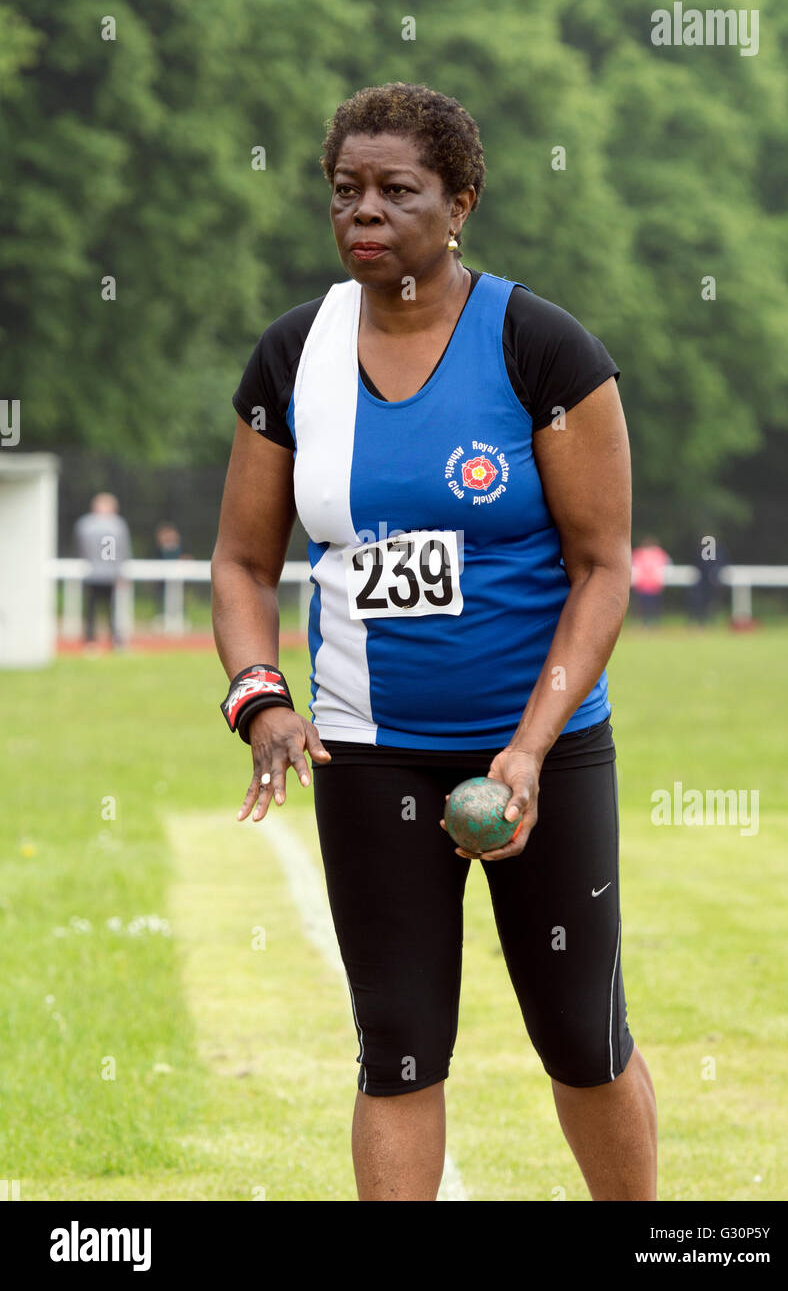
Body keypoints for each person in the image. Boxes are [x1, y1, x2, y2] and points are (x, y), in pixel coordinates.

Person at [211, 82, 657, 1201]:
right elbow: (241, 562)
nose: (363, 211)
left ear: (457, 203)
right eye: (344, 190)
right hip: (368, 755)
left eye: (395, 190)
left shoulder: (541, 347)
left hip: (539, 749)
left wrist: (528, 750)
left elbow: (603, 567)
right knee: (398, 1045)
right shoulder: (291, 358)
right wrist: (260, 694)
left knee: (579, 1035)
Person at [73, 492, 132, 648]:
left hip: (94, 571)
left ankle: (92, 640)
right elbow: (123, 550)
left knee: (95, 609)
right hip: (108, 572)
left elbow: (81, 548)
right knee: (109, 609)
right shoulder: (118, 525)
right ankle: (114, 640)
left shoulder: (85, 524)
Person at [630, 536, 671, 626]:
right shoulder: (657, 553)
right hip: (647, 584)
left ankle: (649, 622)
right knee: (649, 606)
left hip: (649, 584)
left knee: (648, 606)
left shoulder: (640, 553)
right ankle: (650, 622)